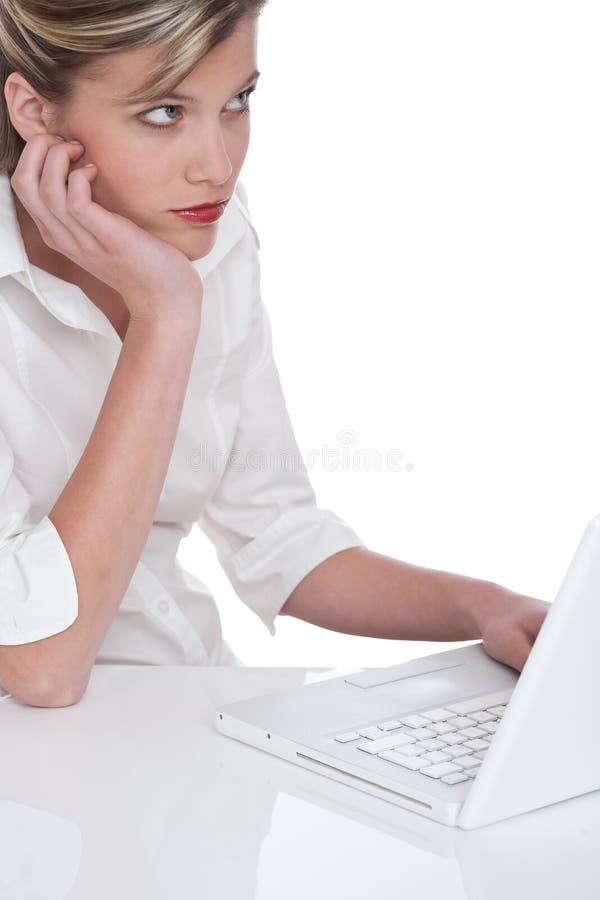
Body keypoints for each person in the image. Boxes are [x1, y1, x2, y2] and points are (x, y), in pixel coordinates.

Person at [0, 0, 550, 709]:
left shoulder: (214, 240)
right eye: (165, 113)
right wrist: (165, 317)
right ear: (35, 112)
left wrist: (490, 607)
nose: (218, 167)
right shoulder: (174, 277)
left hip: (185, 705)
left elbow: (277, 538)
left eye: (238, 101)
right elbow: (41, 668)